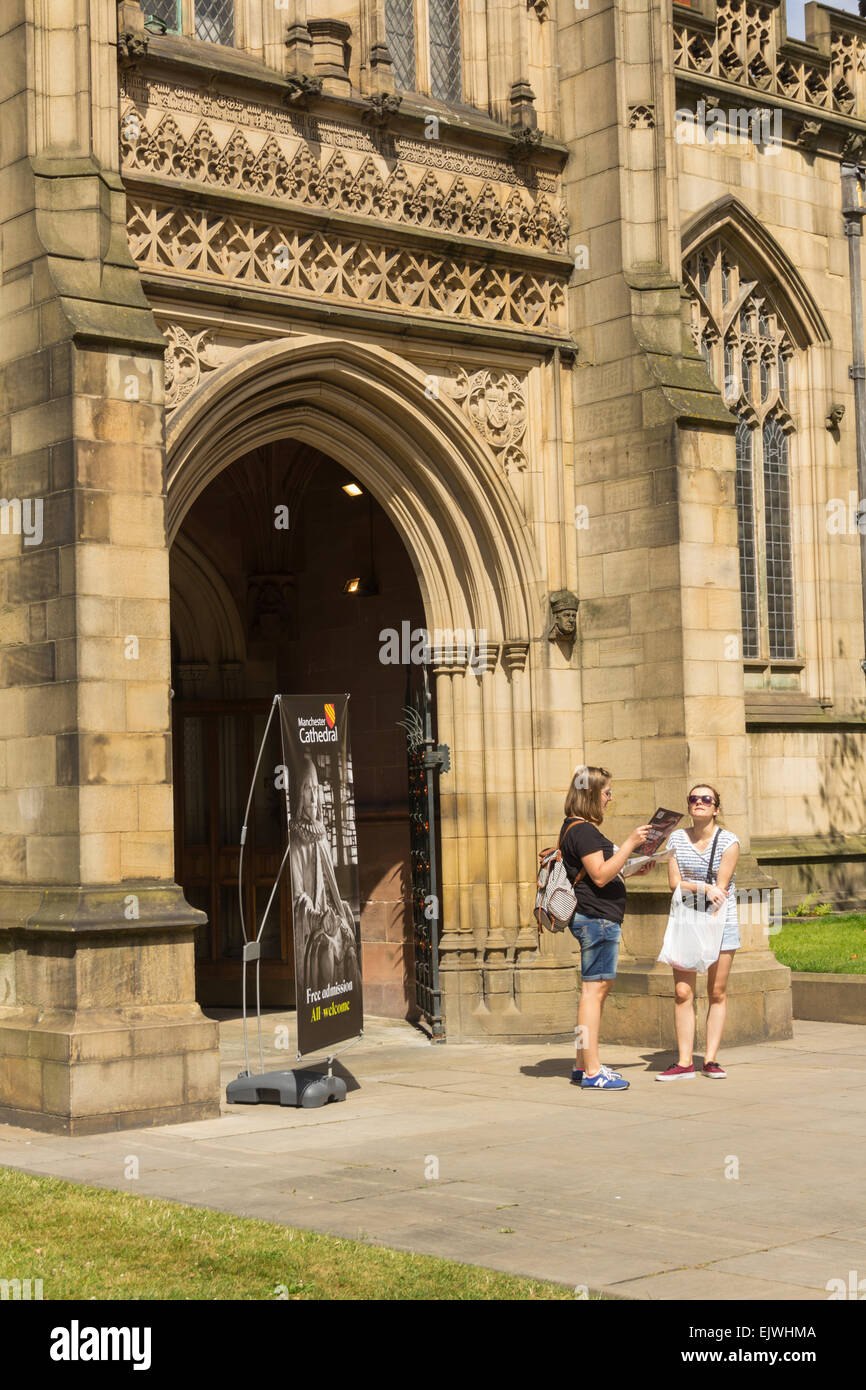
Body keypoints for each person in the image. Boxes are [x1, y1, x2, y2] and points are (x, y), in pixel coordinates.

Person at [561, 766, 652, 1091]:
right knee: (593, 992)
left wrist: (633, 866)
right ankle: (592, 1071)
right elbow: (599, 875)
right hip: (597, 920)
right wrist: (629, 843)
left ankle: (581, 1063)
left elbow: (605, 871)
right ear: (590, 795)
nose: (610, 798)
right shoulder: (583, 831)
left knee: (591, 994)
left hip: (596, 918)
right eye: (607, 792)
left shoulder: (577, 829)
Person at [656, 784, 740, 1081]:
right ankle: (683, 1062)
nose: (699, 803)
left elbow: (722, 888)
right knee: (682, 992)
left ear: (716, 808)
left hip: (720, 922)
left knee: (717, 991)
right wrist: (699, 887)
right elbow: (673, 883)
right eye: (694, 799)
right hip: (688, 920)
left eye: (707, 799)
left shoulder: (729, 841)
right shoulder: (676, 838)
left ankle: (711, 1059)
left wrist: (696, 886)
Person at [290, 756, 362, 1001]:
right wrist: (316, 917)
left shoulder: (322, 836)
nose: (313, 797)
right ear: (299, 794)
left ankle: (346, 1004)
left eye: (316, 790)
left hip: (329, 913)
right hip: (313, 921)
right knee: (327, 949)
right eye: (308, 789)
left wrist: (337, 910)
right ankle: (324, 1002)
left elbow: (330, 885)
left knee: (350, 946)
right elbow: (299, 895)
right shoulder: (296, 841)